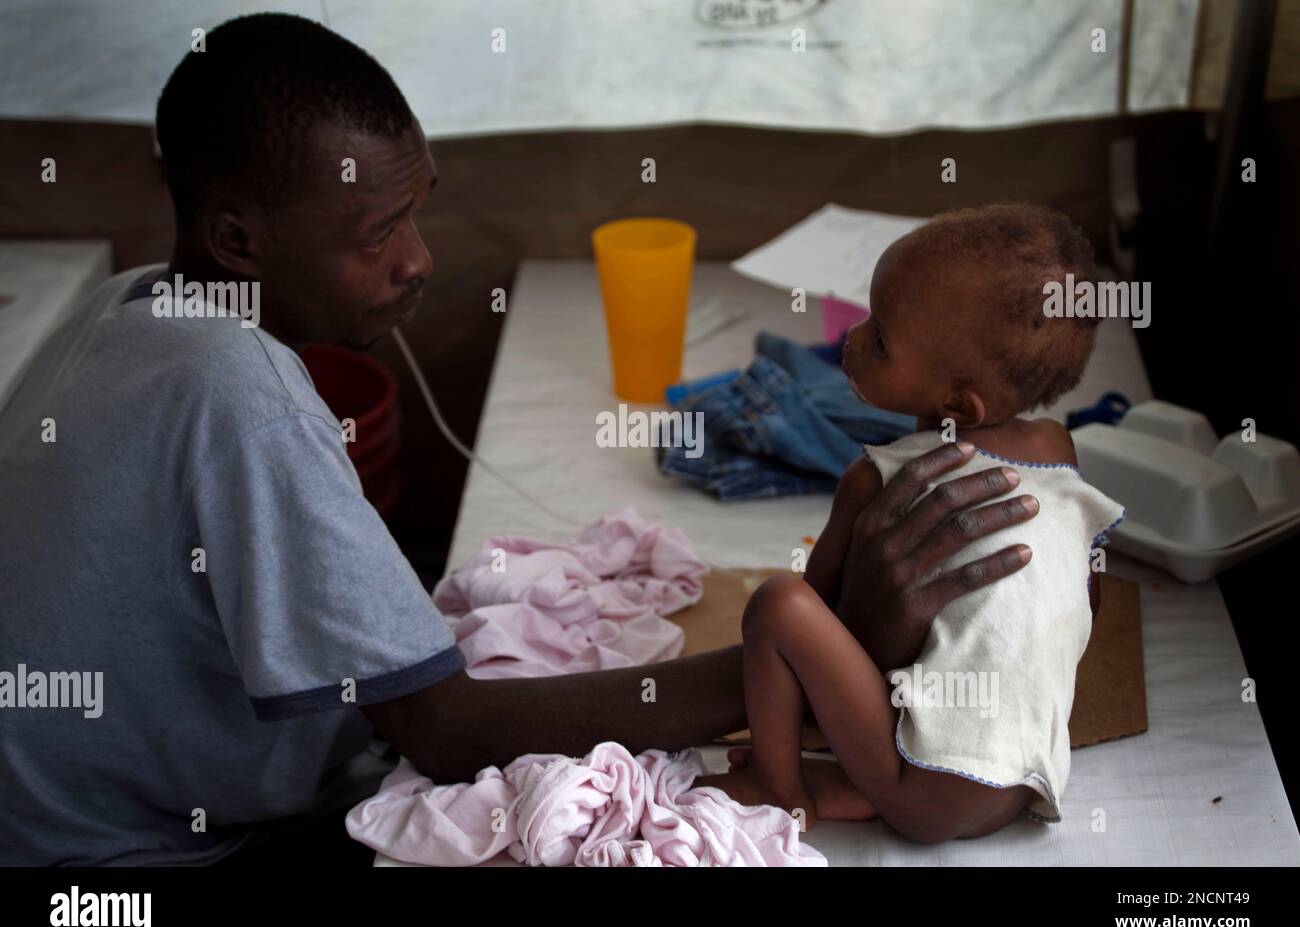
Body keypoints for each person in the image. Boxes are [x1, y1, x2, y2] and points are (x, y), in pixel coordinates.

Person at [0, 15, 1038, 865]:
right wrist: (810, 655)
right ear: (237, 240)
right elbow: (443, 730)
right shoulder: (239, 394)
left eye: (418, 213)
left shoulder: (126, 309)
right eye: (377, 237)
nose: (418, 260)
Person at [696, 205, 1125, 843]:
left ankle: (778, 787)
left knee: (778, 605)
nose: (853, 339)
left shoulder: (875, 479)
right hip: (1029, 776)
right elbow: (1083, 599)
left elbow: (823, 627)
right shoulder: (1060, 449)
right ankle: (864, 786)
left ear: (956, 404)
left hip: (927, 792)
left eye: (881, 341)